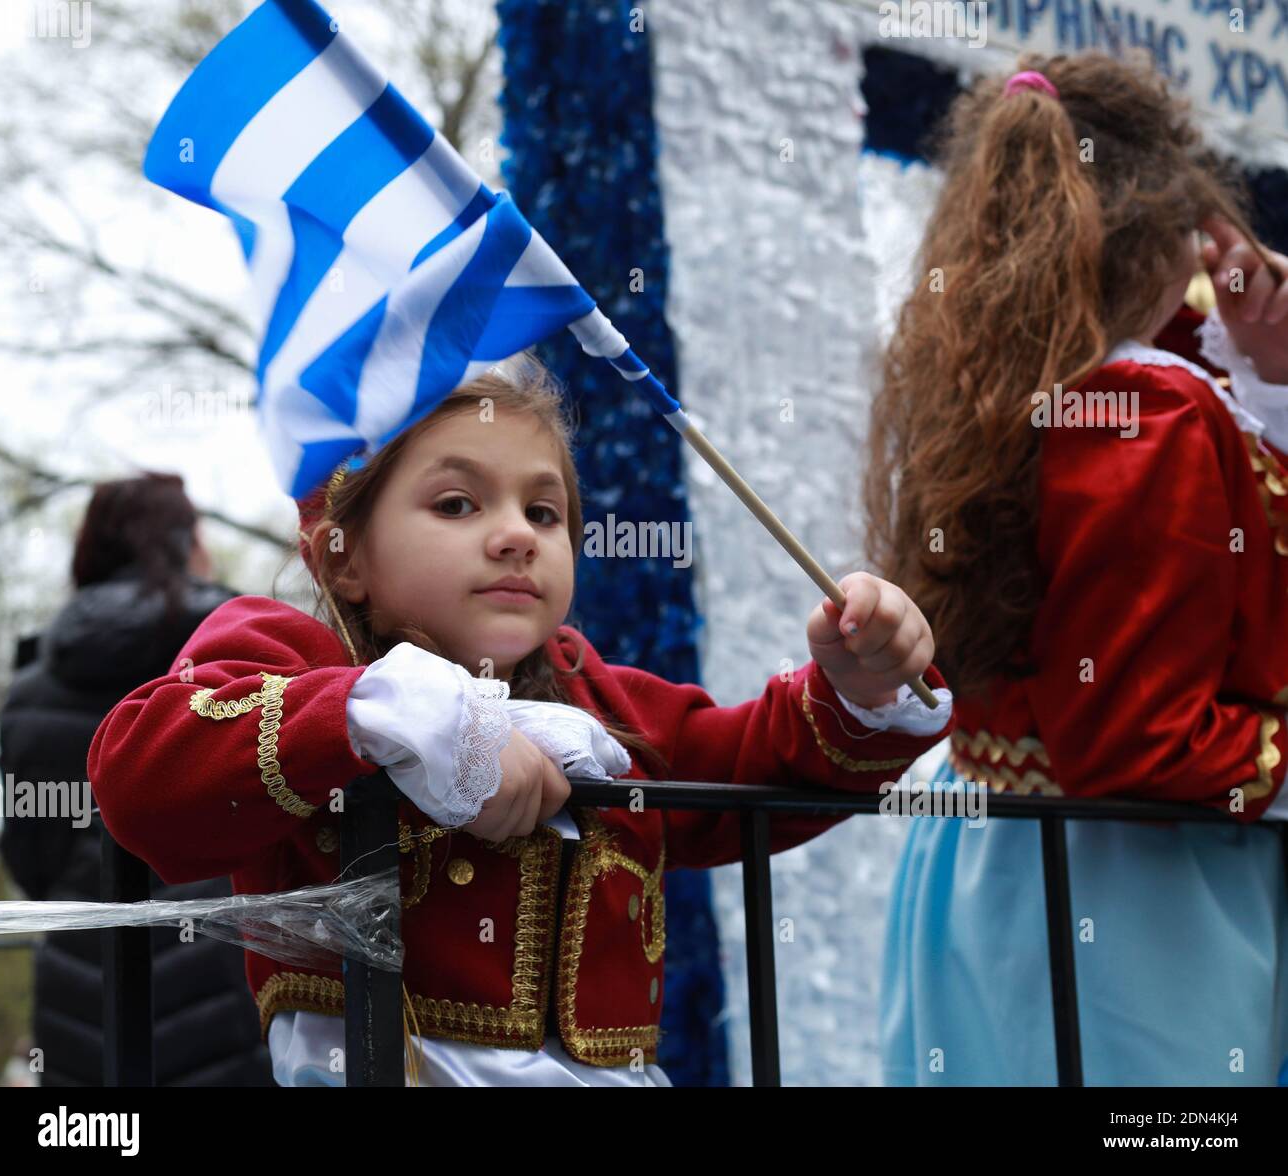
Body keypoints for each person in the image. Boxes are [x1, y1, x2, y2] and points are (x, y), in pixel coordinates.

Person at [87, 352, 954, 1087]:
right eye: (458, 504)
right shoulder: (297, 657)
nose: (516, 536)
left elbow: (759, 768)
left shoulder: (604, 698)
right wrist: (384, 714)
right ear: (344, 559)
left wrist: (856, 683)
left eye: (544, 511)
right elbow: (139, 772)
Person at [865, 52, 1288, 1086]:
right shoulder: (1157, 407)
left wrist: (1266, 375)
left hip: (993, 866)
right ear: (1175, 236)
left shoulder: (997, 388)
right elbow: (1138, 739)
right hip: (1140, 898)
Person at [0, 472, 274, 1085]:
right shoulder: (244, 658)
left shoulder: (32, 686)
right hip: (228, 965)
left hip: (83, 978)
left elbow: (29, 857)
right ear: (185, 544)